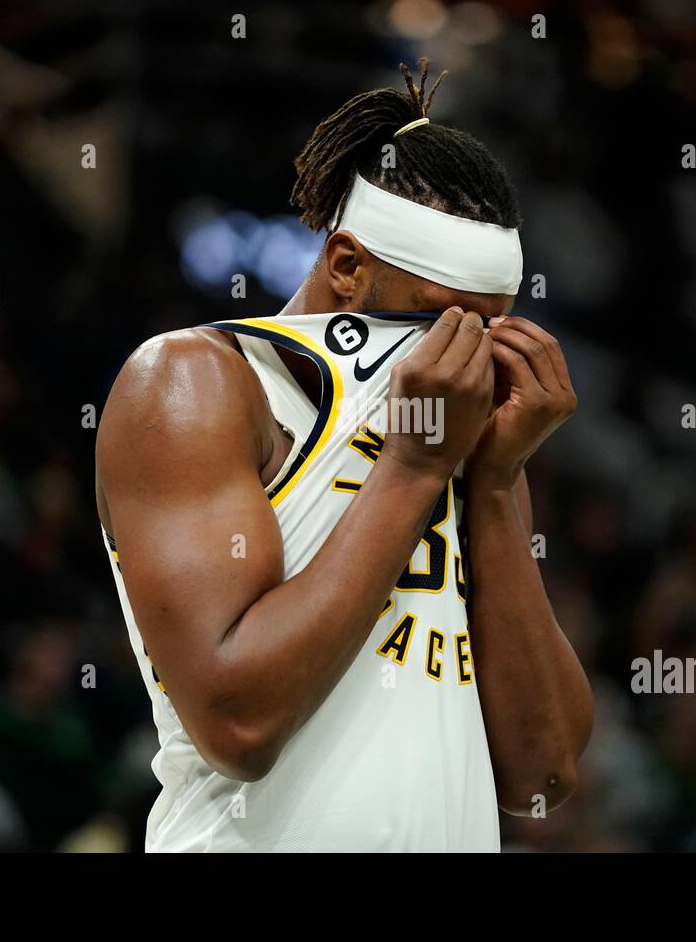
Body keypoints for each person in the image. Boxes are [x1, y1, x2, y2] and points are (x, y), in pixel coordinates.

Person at [95, 60, 592, 851]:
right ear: (348, 267)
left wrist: (493, 486)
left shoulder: (460, 434)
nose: (464, 356)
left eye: (488, 330)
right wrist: (414, 471)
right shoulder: (197, 383)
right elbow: (239, 722)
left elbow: (542, 778)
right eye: (441, 320)